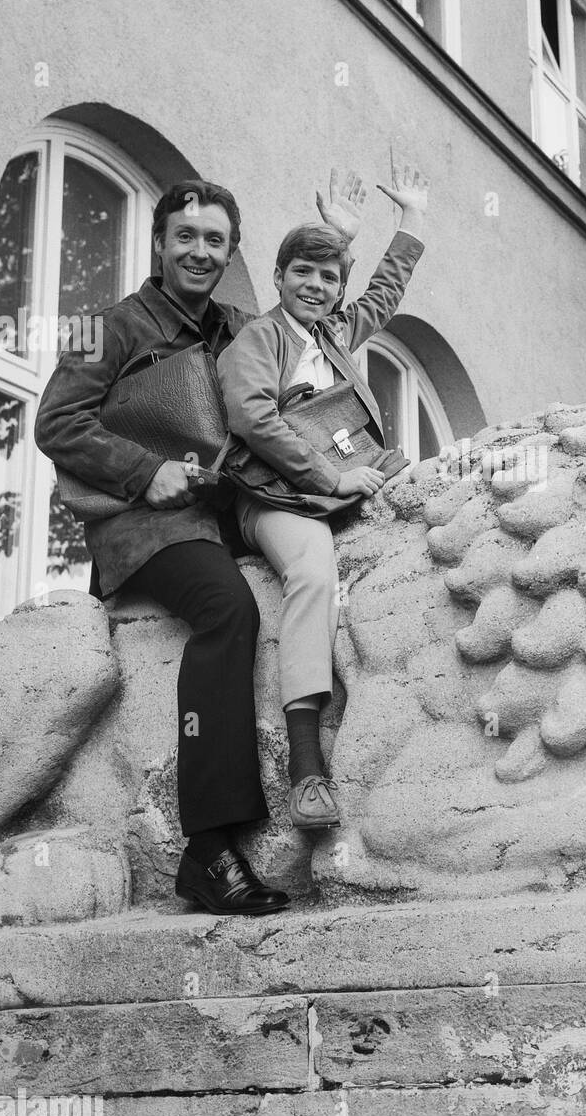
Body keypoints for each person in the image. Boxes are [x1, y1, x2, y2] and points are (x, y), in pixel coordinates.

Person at [35, 174, 365, 916]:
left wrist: (339, 241)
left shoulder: (239, 326)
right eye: (185, 236)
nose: (199, 250)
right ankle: (209, 851)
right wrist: (143, 469)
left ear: (230, 251)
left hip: (218, 520)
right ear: (159, 243)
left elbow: (326, 316)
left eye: (215, 239)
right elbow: (55, 423)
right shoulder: (106, 324)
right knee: (229, 609)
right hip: (145, 528)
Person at [218, 161, 429, 831]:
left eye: (329, 276)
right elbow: (253, 416)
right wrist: (327, 477)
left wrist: (411, 221)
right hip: (276, 496)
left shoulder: (337, 334)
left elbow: (385, 293)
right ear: (278, 278)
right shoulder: (259, 337)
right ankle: (307, 765)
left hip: (345, 481)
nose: (315, 285)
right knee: (312, 571)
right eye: (302, 272)